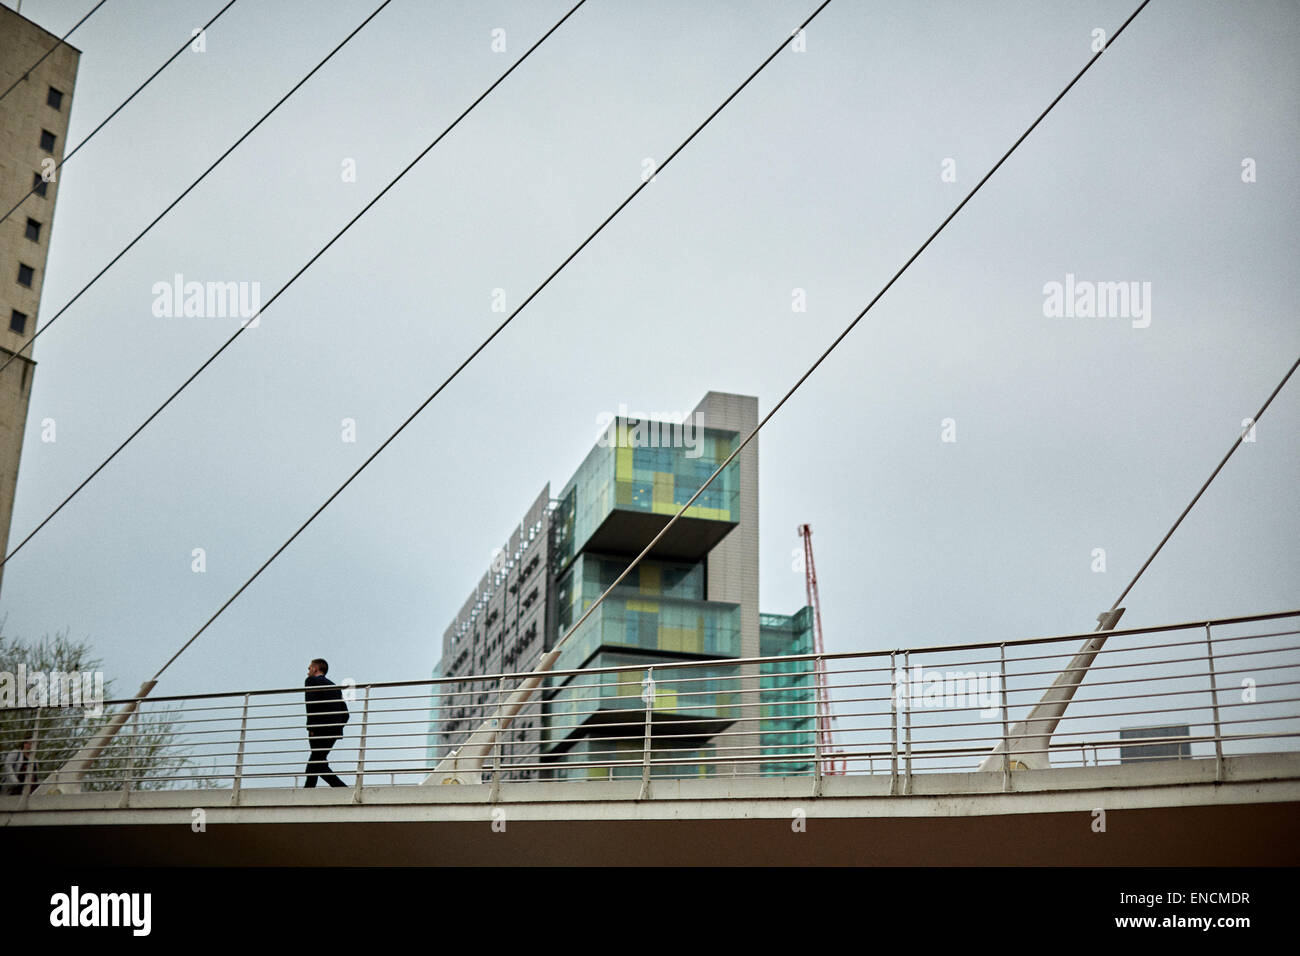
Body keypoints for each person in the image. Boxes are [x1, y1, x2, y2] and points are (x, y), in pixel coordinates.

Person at [303, 658, 349, 788]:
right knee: (318, 762)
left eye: (309, 668)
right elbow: (345, 714)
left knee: (316, 762)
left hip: (318, 730)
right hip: (333, 732)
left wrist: (312, 727)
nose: (308, 671)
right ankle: (309, 789)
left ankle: (341, 788)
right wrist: (336, 728)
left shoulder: (311, 681)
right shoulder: (335, 687)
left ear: (316, 669)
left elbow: (311, 705)